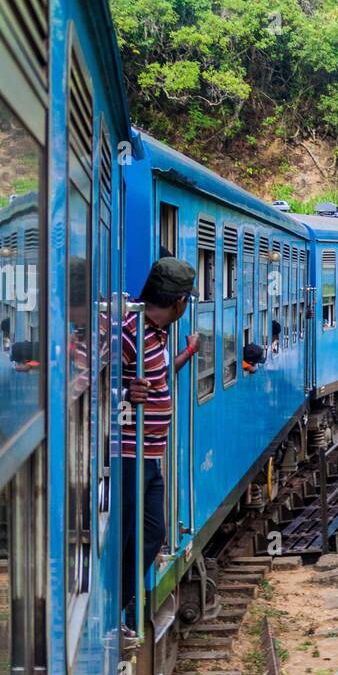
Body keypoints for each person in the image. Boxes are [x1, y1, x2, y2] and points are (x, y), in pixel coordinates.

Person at [120, 256, 200, 637]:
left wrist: (186, 354)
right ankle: (114, 609)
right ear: (180, 303)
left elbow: (157, 377)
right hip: (127, 455)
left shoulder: (156, 336)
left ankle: (119, 602)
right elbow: (87, 383)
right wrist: (122, 391)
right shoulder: (129, 332)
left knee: (152, 534)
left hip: (150, 454)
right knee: (134, 535)